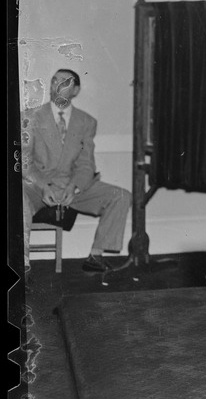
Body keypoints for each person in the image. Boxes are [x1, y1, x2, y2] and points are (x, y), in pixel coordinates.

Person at [21, 69, 131, 273]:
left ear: (76, 90)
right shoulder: (30, 117)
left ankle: (95, 256)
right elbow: (25, 162)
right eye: (54, 81)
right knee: (17, 199)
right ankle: (23, 264)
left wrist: (74, 187)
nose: (57, 86)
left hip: (71, 184)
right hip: (38, 186)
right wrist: (44, 186)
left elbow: (86, 164)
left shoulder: (86, 122)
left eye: (64, 82)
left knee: (121, 196)